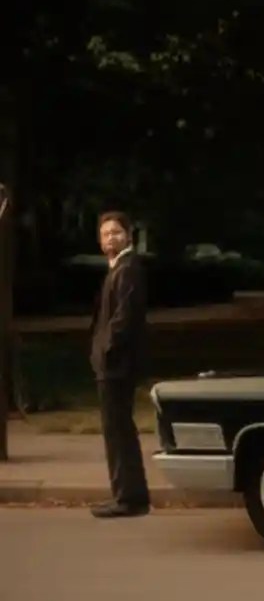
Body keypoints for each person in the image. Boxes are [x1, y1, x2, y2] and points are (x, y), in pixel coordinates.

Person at [89, 211, 150, 518]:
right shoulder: (118, 268)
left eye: (116, 232)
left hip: (117, 365)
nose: (110, 238)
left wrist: (104, 351)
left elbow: (123, 319)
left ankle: (128, 498)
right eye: (105, 234)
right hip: (113, 364)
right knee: (119, 429)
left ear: (128, 235)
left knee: (118, 431)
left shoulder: (127, 269)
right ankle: (131, 496)